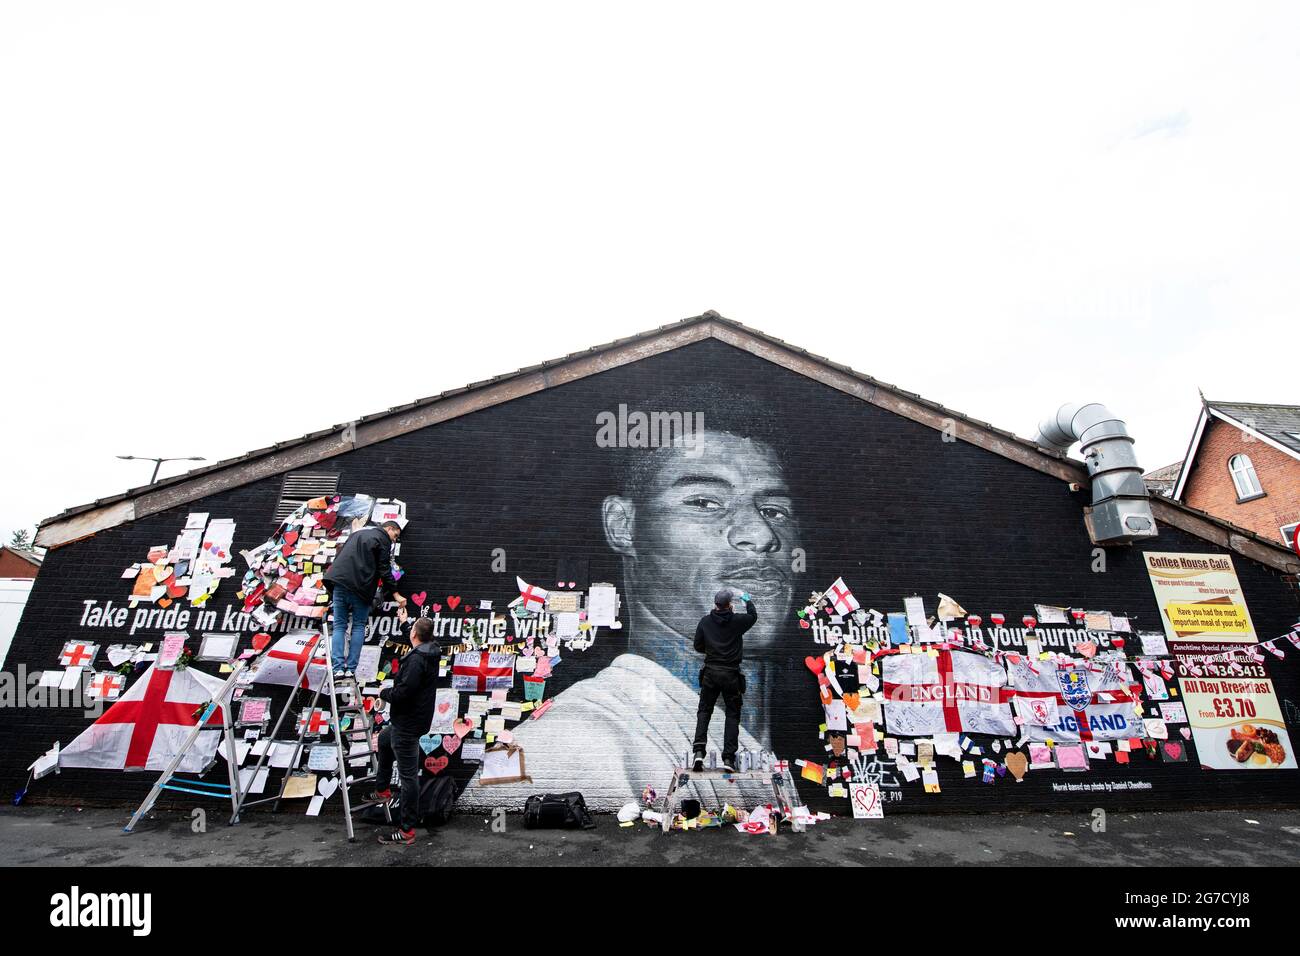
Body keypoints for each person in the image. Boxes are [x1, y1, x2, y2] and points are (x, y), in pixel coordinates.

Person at [482, 409, 802, 810]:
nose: (761, 534)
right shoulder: (566, 747)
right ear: (623, 526)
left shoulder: (782, 738)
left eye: (774, 510)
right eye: (705, 502)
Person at [371, 609, 442, 846]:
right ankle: (382, 790)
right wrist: (405, 623)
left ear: (415, 635)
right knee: (383, 739)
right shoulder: (430, 650)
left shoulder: (416, 660)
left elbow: (404, 693)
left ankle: (406, 830)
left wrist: (383, 692)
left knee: (409, 777)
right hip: (415, 721)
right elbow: (416, 637)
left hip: (408, 723)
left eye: (411, 630)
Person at [323, 519, 406, 676]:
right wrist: (395, 593)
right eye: (395, 535)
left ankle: (338, 668)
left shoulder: (357, 534)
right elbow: (384, 568)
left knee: (339, 625)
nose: (394, 540)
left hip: (340, 583)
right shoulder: (382, 540)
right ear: (389, 528)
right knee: (358, 626)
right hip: (361, 588)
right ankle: (350, 669)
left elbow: (339, 556)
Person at [691, 588, 757, 772]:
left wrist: (713, 652)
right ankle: (728, 759)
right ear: (730, 605)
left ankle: (698, 752)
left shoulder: (705, 621)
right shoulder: (737, 621)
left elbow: (697, 645)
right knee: (732, 715)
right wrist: (746, 598)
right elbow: (753, 616)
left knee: (704, 711)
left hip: (710, 673)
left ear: (715, 605)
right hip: (731, 675)